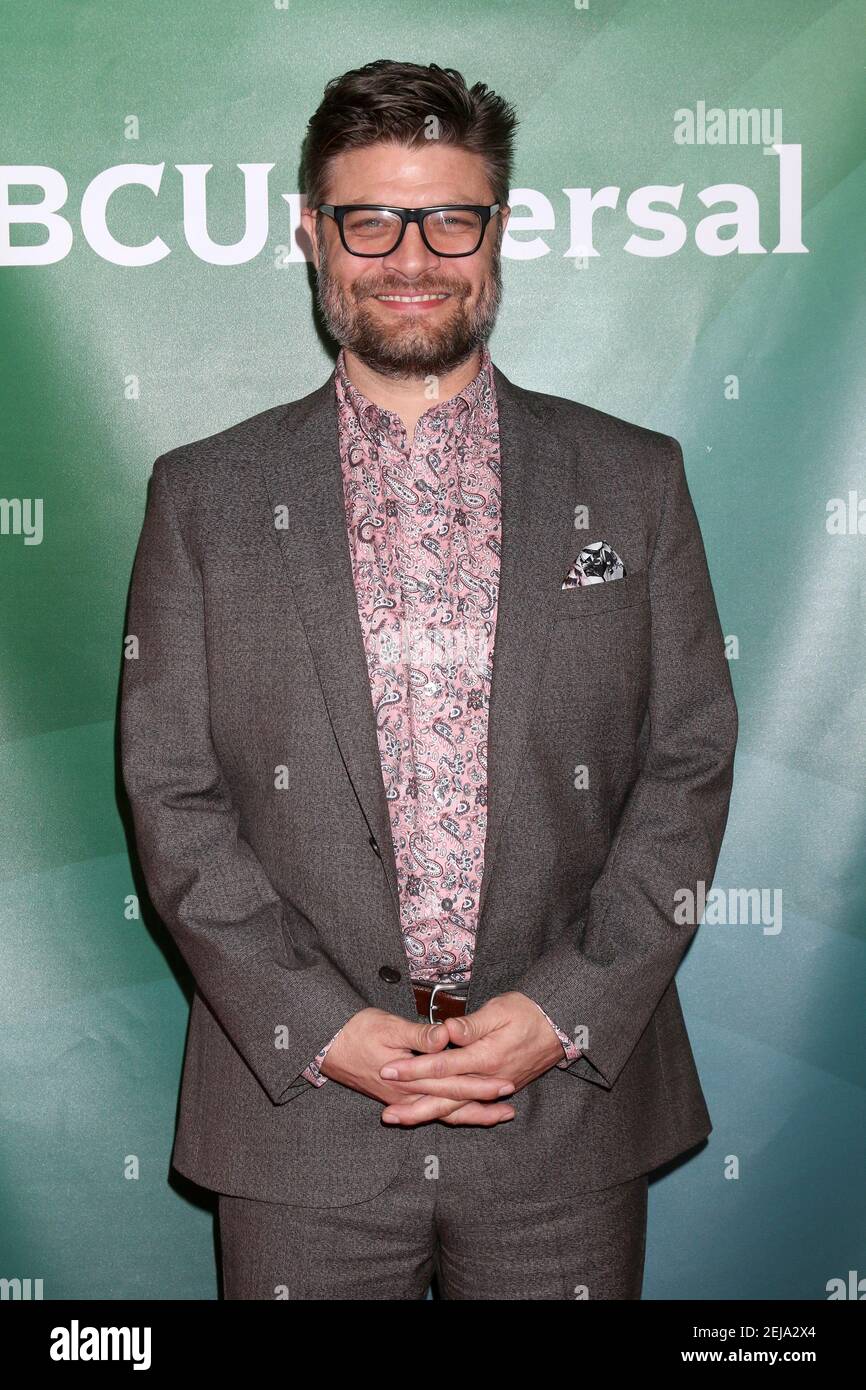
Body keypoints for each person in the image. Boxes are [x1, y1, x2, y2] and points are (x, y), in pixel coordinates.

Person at [120, 59, 738, 1300]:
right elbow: (171, 792)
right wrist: (323, 1029)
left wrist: (562, 1009)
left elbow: (686, 763)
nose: (413, 254)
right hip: (293, 1109)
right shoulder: (203, 496)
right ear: (313, 234)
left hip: (562, 1113)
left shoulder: (633, 479)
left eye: (450, 216)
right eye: (371, 218)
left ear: (497, 229)